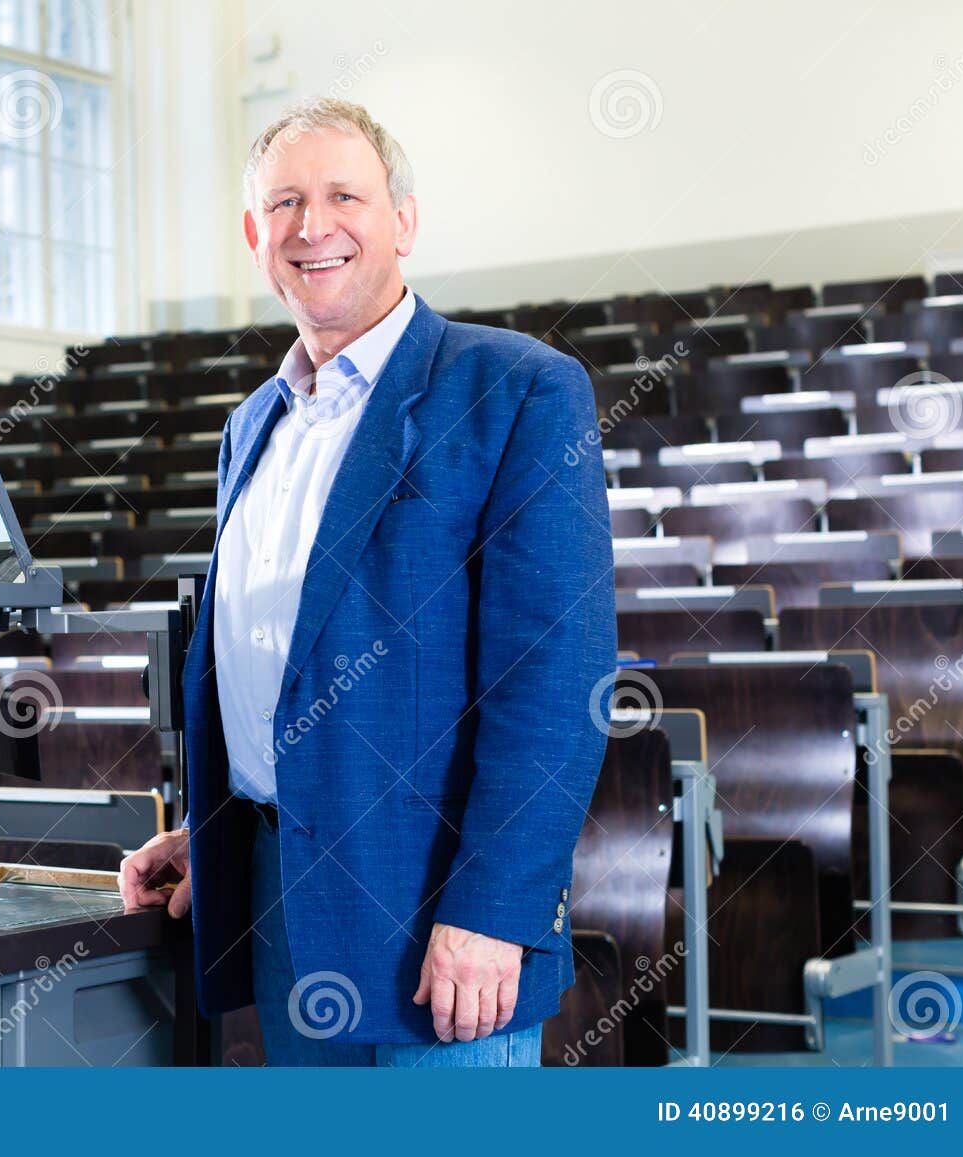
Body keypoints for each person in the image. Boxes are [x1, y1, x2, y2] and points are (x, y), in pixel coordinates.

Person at [118, 97, 615, 1067]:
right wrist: (209, 831)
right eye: (287, 202)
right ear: (256, 235)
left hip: (437, 924)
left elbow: (554, 687)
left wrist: (494, 909)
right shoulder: (251, 424)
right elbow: (276, 667)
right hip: (280, 901)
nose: (315, 226)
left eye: (345, 194)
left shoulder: (517, 390)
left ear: (404, 220)